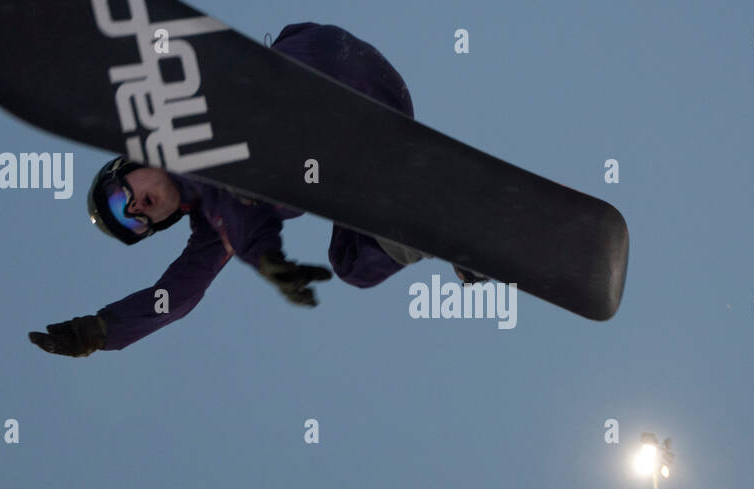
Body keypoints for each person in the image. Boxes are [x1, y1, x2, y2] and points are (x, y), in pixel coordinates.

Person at [29, 22, 485, 356]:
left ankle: (389, 177)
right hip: (380, 118)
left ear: (131, 162)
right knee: (353, 264)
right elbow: (176, 296)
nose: (137, 208)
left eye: (120, 197)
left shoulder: (176, 119)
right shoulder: (214, 229)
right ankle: (449, 224)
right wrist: (102, 331)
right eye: (134, 223)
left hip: (318, 65)